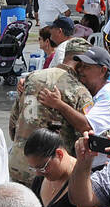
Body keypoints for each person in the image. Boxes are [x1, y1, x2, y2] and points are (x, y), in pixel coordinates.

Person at [7, 38, 96, 179]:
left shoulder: (32, 77)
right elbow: (85, 135)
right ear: (81, 63)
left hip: (19, 163)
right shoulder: (79, 90)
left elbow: (12, 126)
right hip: (50, 172)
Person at [44, 45, 110, 147]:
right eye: (81, 66)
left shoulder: (109, 99)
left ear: (102, 71)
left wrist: (59, 104)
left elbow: (87, 126)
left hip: (102, 162)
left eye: (87, 67)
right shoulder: (90, 92)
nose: (81, 70)